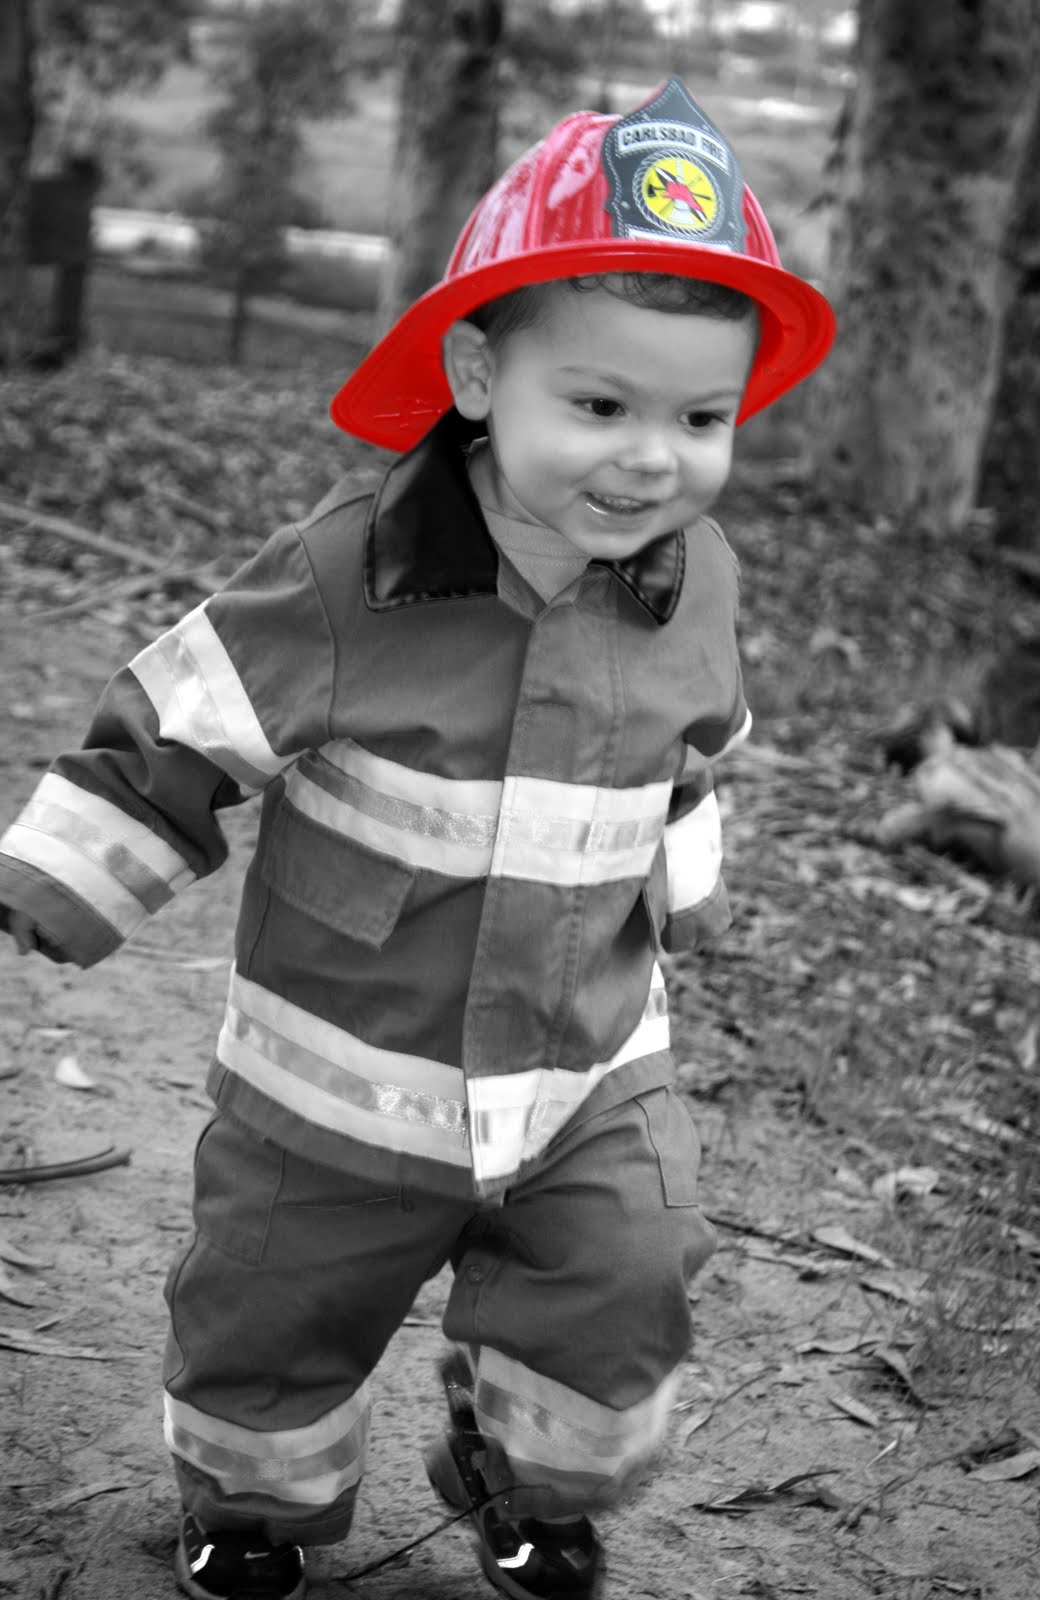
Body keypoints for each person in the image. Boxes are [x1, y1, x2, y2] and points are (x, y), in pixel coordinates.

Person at [0, 78, 834, 1600]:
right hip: (338, 1077)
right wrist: (51, 887)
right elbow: (177, 726)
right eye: (602, 405)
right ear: (474, 373)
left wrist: (688, 889)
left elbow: (692, 756)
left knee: (627, 1279)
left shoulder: (696, 574)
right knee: (274, 1316)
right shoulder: (349, 577)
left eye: (701, 417)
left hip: (585, 1063)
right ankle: (256, 1516)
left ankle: (523, 1474)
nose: (655, 460)